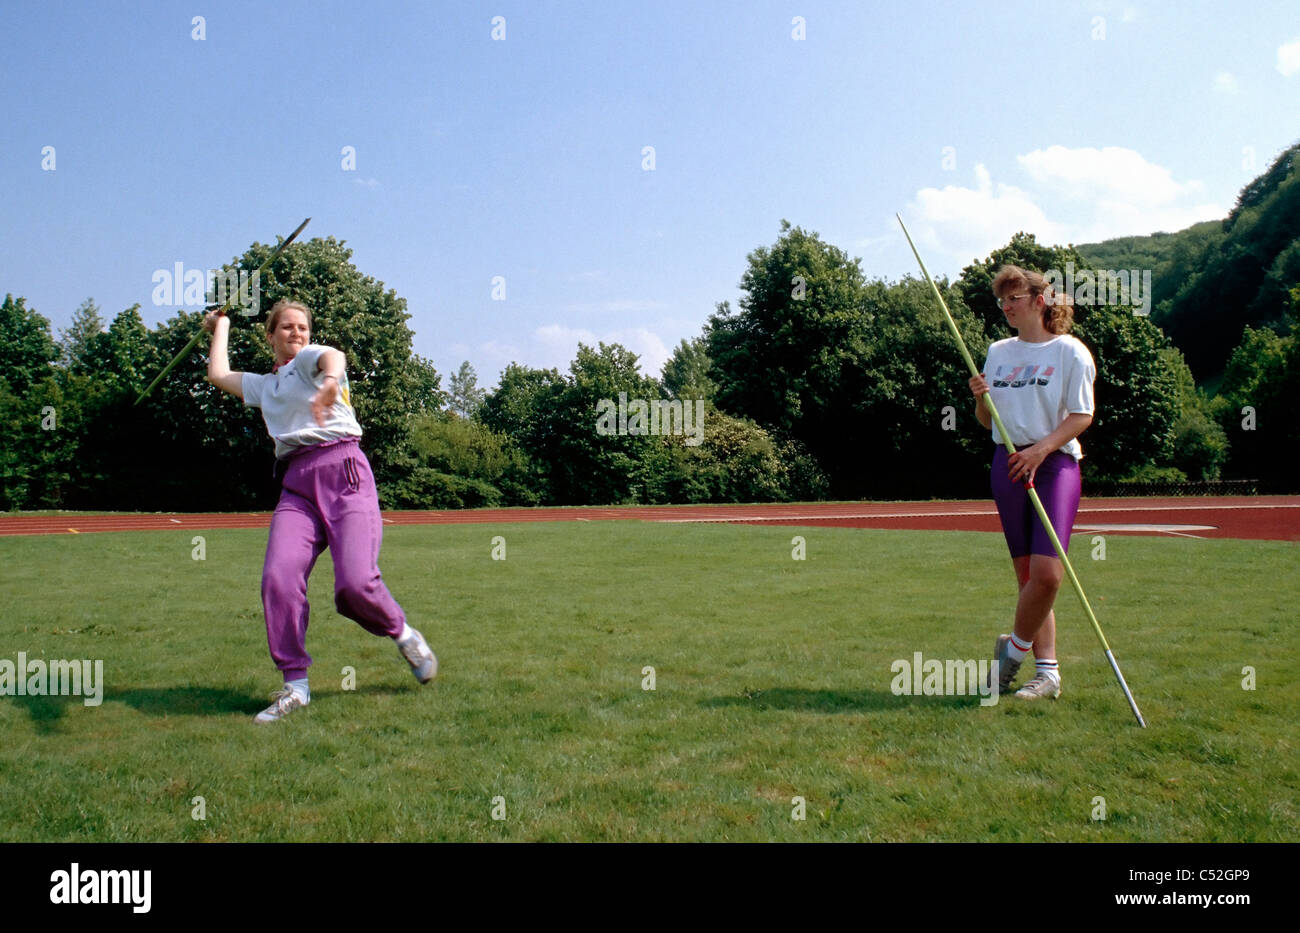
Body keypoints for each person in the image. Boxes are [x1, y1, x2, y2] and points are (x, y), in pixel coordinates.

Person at [202, 299, 437, 723]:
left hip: (344, 472)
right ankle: (295, 685)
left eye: (302, 327)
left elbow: (335, 356)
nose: (296, 333)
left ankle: (403, 633)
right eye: (286, 327)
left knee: (354, 588)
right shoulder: (266, 386)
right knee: (279, 577)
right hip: (297, 487)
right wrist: (220, 327)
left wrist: (331, 380)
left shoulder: (310, 360)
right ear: (270, 335)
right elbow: (218, 374)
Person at [968, 266, 1095, 700]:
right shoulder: (998, 351)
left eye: (1014, 298)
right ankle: (1049, 673)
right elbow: (988, 422)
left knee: (1048, 575)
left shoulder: (1070, 352)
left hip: (1053, 463)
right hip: (1007, 462)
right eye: (1002, 300)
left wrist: (1040, 451)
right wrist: (981, 400)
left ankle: (1013, 653)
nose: (1006, 307)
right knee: (1026, 577)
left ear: (1039, 302)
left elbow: (1082, 416)